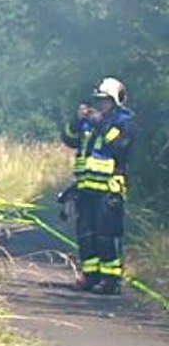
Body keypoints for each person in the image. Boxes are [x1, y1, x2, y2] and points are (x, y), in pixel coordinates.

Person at [61, 77, 133, 294]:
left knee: (106, 235)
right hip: (86, 189)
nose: (100, 104)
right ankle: (90, 275)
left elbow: (120, 145)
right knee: (86, 234)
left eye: (105, 100)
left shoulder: (123, 122)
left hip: (108, 190)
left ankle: (110, 281)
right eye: (98, 100)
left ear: (115, 102)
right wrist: (77, 120)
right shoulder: (89, 123)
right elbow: (69, 138)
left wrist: (100, 123)